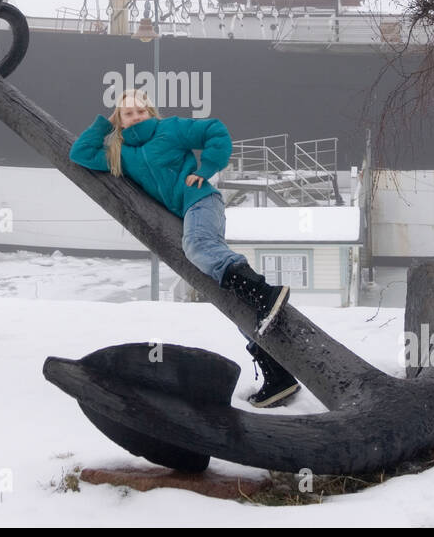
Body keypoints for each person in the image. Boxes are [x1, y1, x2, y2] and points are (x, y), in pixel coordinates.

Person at [68, 87, 300, 407]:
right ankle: (279, 375)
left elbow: (215, 131)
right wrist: (103, 126)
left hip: (201, 203)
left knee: (198, 246)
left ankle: (264, 292)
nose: (135, 117)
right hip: (185, 218)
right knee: (229, 299)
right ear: (119, 120)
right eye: (127, 113)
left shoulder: (171, 128)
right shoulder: (119, 153)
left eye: (140, 110)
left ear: (150, 111)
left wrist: (205, 171)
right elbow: (79, 154)